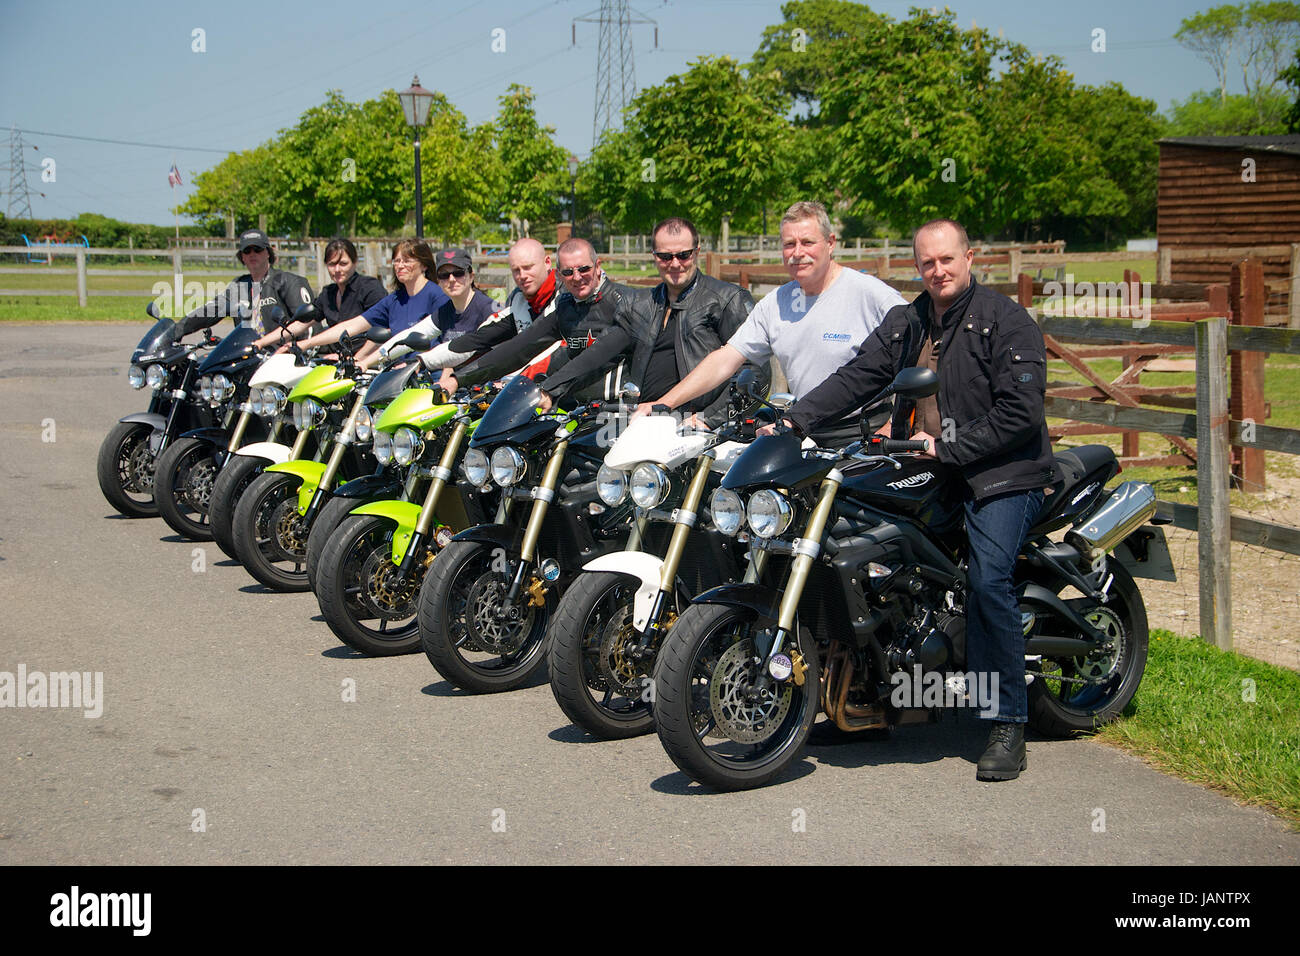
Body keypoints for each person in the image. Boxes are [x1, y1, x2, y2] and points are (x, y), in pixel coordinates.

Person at [778, 218, 1062, 782]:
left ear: (969, 257)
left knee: (986, 581)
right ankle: (867, 700)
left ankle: (1006, 718)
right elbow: (859, 376)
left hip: (1005, 474)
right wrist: (794, 418)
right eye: (927, 263)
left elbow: (1020, 413)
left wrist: (949, 446)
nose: (938, 271)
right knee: (855, 550)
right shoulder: (908, 322)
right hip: (930, 466)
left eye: (947, 260)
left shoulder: (1007, 321)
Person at [636, 201, 905, 440]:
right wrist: (662, 404)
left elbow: (919, 351)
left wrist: (896, 422)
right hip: (803, 430)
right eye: (789, 244)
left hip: (863, 432)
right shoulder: (776, 303)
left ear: (831, 243)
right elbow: (725, 360)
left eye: (807, 242)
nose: (797, 252)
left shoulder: (870, 295)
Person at [443, 237, 649, 407]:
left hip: (620, 411)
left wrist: (549, 388)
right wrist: (459, 379)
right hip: (575, 407)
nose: (577, 278)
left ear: (597, 266)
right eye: (568, 272)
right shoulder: (565, 306)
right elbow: (520, 347)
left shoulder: (625, 301)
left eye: (584, 269)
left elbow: (595, 356)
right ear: (559, 274)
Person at [416, 238, 560, 374]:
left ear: (547, 262)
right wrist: (421, 361)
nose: (522, 275)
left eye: (528, 267)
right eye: (516, 270)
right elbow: (478, 340)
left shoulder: (565, 297)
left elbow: (536, 347)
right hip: (531, 385)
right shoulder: (518, 300)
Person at [292, 239, 450, 362]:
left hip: (428, 377)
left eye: (407, 261)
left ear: (424, 265)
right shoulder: (394, 300)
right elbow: (352, 326)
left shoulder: (437, 297)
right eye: (396, 261)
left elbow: (448, 344)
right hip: (396, 374)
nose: (400, 266)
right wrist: (307, 343)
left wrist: (422, 363)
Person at [176, 228, 314, 338]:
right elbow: (211, 310)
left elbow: (309, 325)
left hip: (281, 357)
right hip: (249, 357)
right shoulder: (238, 286)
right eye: (247, 251)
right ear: (242, 257)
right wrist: (176, 330)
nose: (252, 254)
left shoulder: (288, 282)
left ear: (268, 253)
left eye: (258, 249)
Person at [251, 237, 386, 350]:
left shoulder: (370, 288)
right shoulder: (328, 293)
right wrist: (260, 343)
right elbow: (301, 323)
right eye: (332, 264)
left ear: (355, 262)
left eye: (343, 264)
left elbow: (383, 328)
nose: (337, 269)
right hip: (339, 361)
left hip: (370, 365)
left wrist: (359, 359)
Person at [375, 248, 499, 367]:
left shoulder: (489, 309)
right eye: (444, 275)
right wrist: (371, 360)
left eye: (458, 273)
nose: (451, 279)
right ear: (438, 280)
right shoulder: (445, 311)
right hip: (455, 383)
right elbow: (411, 335)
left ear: (471, 276)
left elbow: (504, 352)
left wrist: (421, 361)